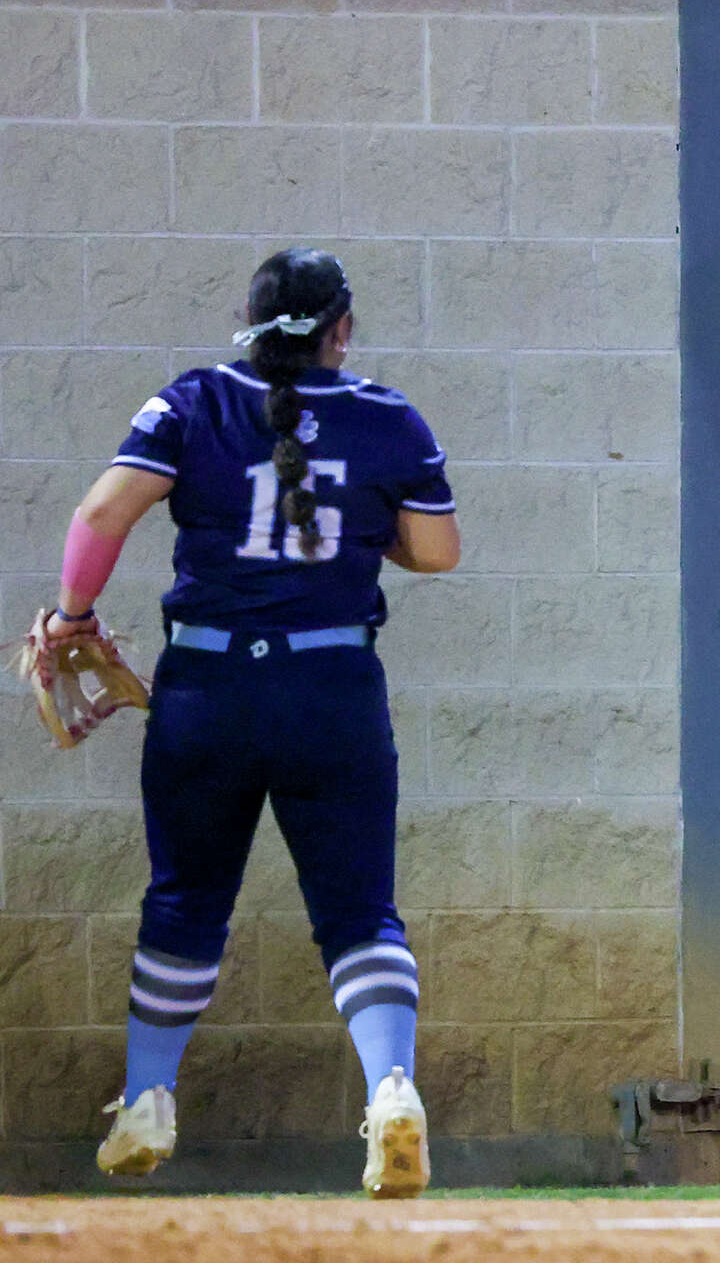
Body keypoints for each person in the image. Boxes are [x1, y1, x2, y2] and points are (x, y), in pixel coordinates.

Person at [43, 248, 460, 1196]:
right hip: (332, 690)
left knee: (187, 903)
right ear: (340, 329)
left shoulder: (195, 400)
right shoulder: (388, 417)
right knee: (358, 912)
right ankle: (392, 1090)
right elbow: (436, 552)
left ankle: (149, 1099)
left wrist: (72, 614)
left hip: (209, 690)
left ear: (250, 318)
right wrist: (367, 528)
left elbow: (105, 510)